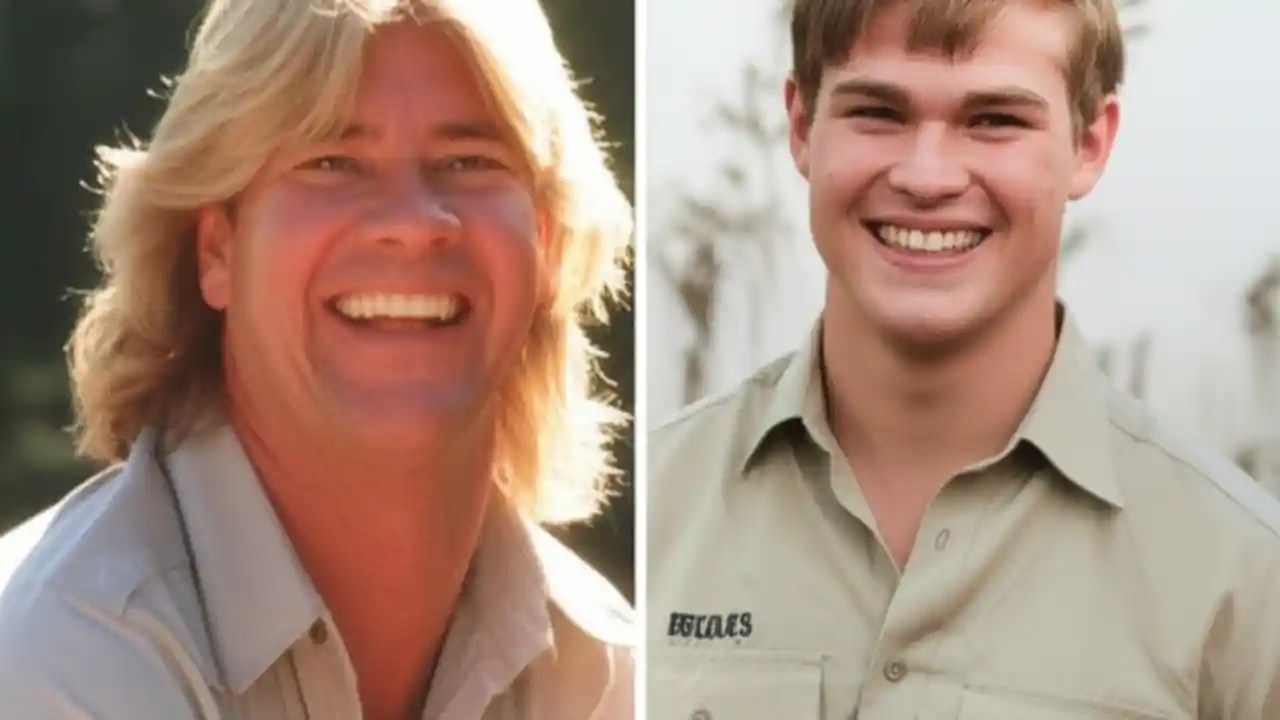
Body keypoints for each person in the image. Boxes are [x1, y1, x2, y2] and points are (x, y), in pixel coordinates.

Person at [0, 0, 635, 717]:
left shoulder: (608, 672)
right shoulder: (60, 658)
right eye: (332, 161)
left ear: (546, 247)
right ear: (217, 248)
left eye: (469, 161)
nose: (413, 223)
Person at [648, 1, 1280, 718]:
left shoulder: (1245, 582)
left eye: (995, 121)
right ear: (801, 127)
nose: (928, 177)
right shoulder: (656, 512)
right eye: (879, 112)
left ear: (1090, 144)